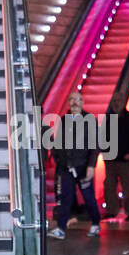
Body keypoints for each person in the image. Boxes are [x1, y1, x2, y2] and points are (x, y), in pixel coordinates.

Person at [48, 91, 102, 239]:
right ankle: (61, 228)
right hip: (67, 166)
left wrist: (91, 165)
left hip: (83, 166)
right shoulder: (64, 120)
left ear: (82, 102)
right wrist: (59, 160)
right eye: (71, 99)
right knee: (65, 197)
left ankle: (96, 223)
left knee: (88, 196)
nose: (74, 102)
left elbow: (95, 144)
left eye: (77, 99)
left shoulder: (89, 120)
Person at [103, 97, 129, 221]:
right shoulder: (109, 119)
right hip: (111, 159)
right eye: (115, 102)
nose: (116, 104)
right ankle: (111, 210)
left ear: (124, 103)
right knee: (109, 186)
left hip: (125, 159)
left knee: (128, 186)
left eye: (119, 101)